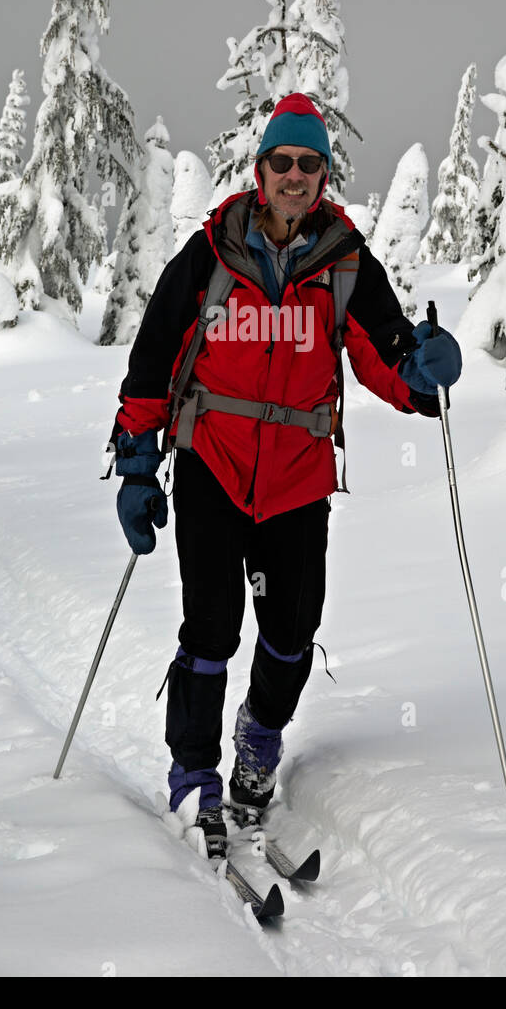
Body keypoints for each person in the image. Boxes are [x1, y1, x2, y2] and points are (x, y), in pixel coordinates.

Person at [107, 92, 462, 854]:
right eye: (283, 161)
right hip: (213, 466)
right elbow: (151, 366)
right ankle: (194, 775)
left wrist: (425, 374)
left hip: (299, 479)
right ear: (260, 169)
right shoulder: (208, 257)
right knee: (210, 629)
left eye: (310, 164)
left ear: (323, 176)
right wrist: (137, 466)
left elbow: (386, 357)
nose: (295, 176)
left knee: (292, 631)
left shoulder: (345, 265)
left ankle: (260, 739)